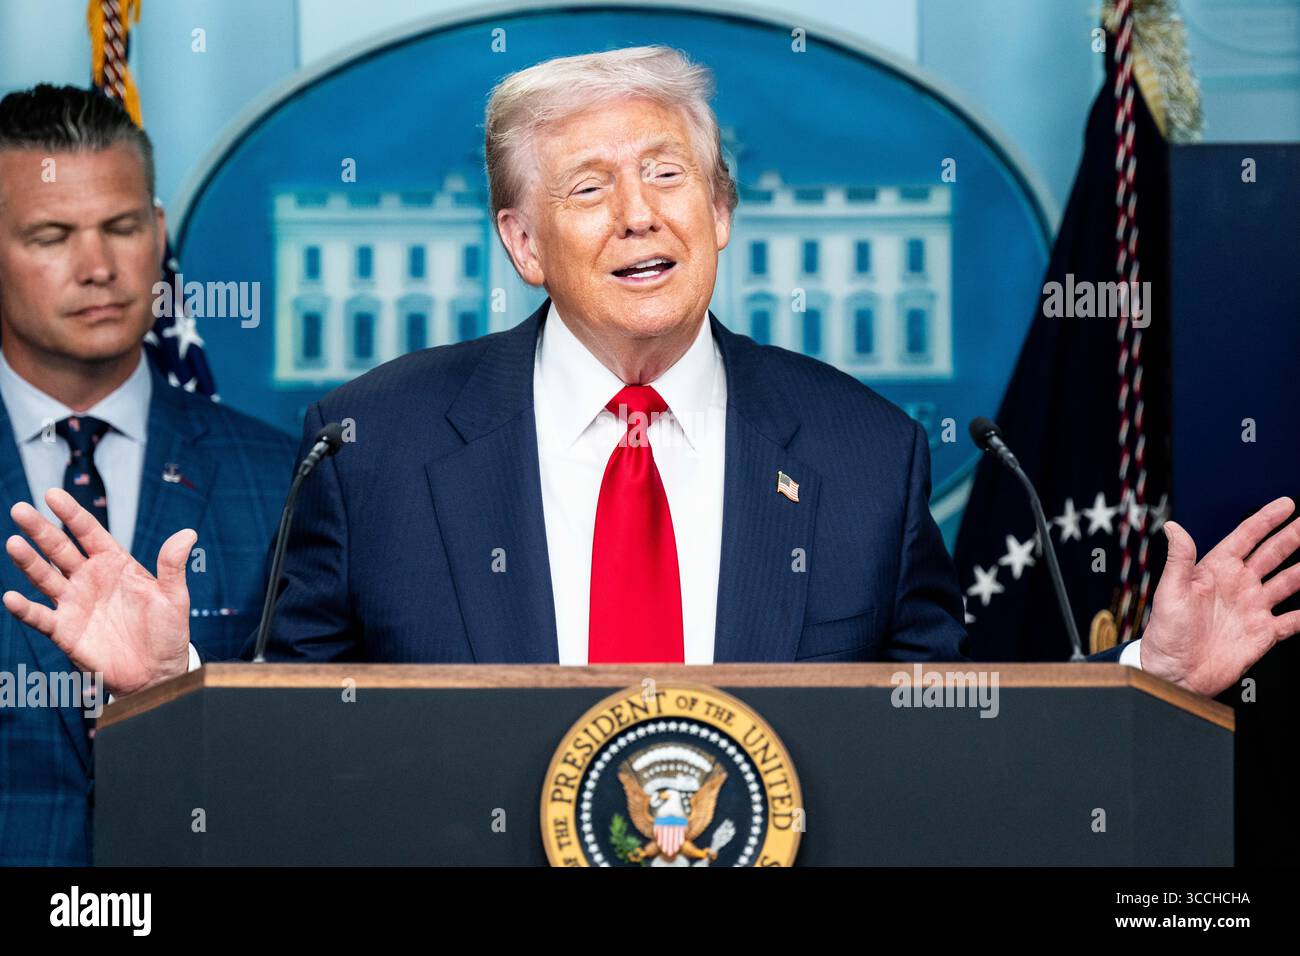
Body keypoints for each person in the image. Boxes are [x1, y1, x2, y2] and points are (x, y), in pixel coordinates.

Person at [5, 50, 1298, 708]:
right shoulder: (374, 445)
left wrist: (1145, 678)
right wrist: (177, 695)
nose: (639, 216)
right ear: (522, 243)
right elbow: (301, 754)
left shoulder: (860, 451)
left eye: (670, 175)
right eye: (588, 187)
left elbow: (947, 735)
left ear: (723, 210)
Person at [0, 85, 296, 865]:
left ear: (157, 232)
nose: (97, 267)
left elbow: (322, 757)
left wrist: (177, 682)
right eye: (52, 235)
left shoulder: (286, 479)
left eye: (122, 228)